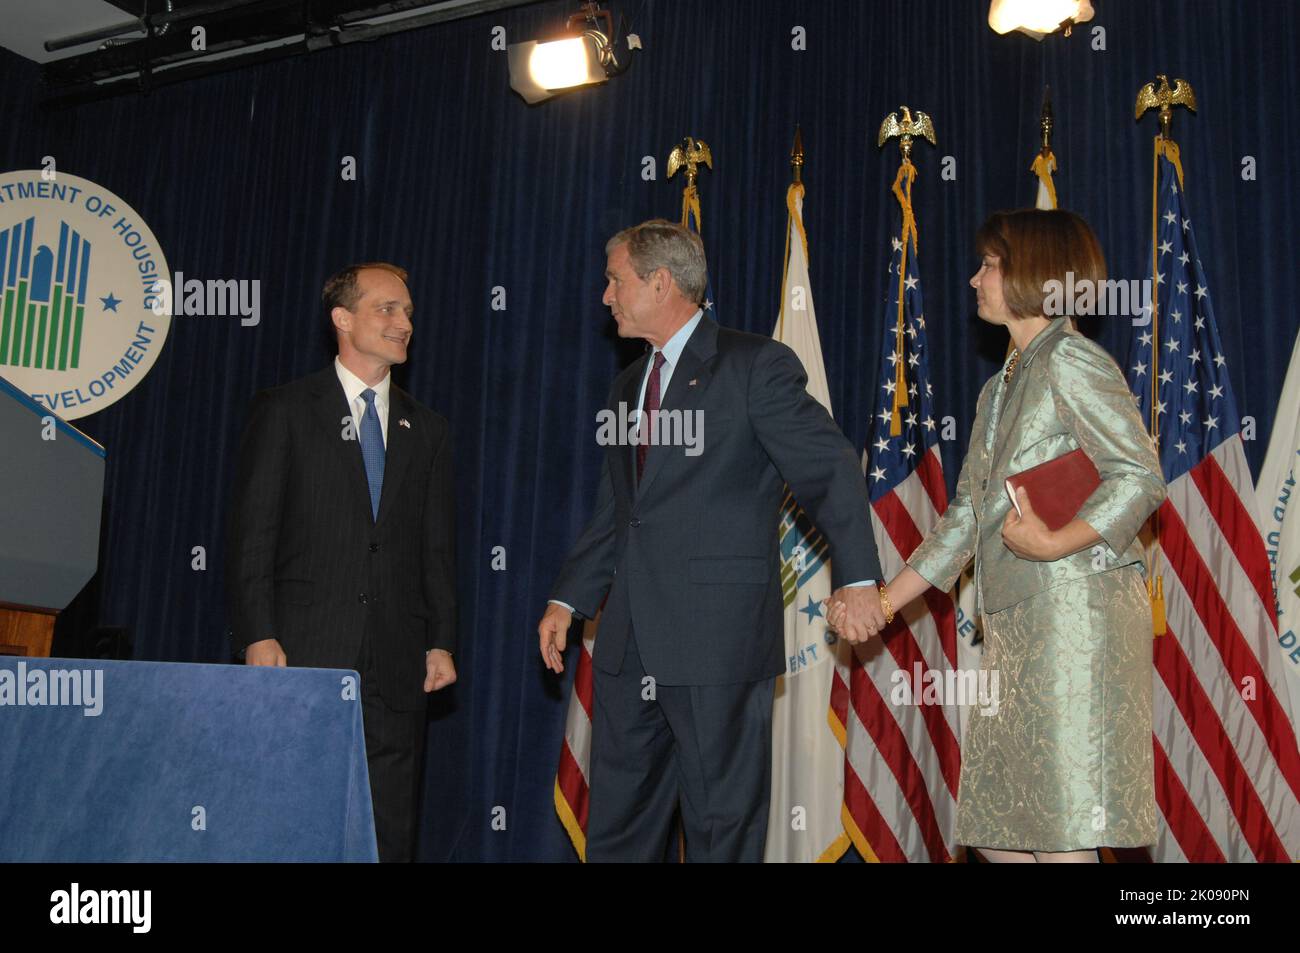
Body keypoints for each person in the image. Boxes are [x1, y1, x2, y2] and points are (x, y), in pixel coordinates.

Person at [536, 219, 886, 862]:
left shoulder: (754, 365)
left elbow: (829, 467)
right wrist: (568, 598)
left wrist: (859, 578)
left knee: (721, 828)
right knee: (617, 830)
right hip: (629, 644)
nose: (606, 296)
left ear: (660, 282)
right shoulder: (627, 386)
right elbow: (620, 513)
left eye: (615, 281)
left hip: (717, 644)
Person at [831, 209, 1165, 863]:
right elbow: (964, 521)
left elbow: (1141, 475)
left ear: (1032, 273)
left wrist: (1056, 539)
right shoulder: (999, 387)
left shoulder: (1070, 358)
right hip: (1017, 630)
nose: (974, 278)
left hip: (1074, 623)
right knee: (1006, 836)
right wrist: (884, 601)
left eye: (989, 264)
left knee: (1061, 833)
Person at [226, 262, 457, 863]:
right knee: (291, 816)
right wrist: (259, 633)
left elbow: (435, 547)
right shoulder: (285, 409)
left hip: (398, 658)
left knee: (389, 829)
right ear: (342, 319)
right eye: (387, 309)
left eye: (407, 311)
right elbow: (253, 535)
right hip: (302, 648)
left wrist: (441, 641)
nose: (404, 322)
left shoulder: (427, 428)